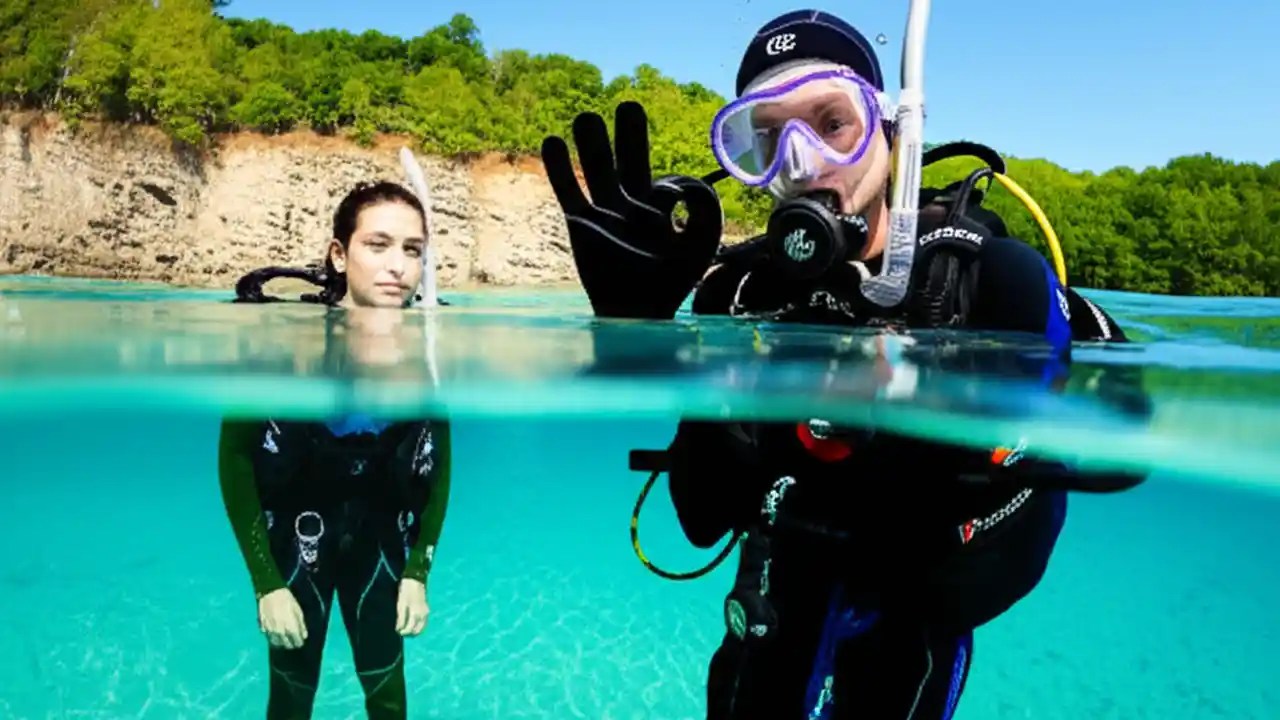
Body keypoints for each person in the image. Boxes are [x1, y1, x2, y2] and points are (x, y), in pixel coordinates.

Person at [541, 8, 1150, 719]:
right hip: (777, 603)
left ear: (892, 131)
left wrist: (976, 453)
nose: (799, 162)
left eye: (832, 123)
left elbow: (1122, 447)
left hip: (916, 614)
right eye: (763, 139)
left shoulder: (983, 283)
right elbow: (701, 520)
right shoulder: (738, 296)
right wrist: (633, 332)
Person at [220, 180, 452, 720]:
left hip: (380, 532)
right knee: (292, 694)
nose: (397, 264)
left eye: (412, 250)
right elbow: (234, 458)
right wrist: (266, 584)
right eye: (378, 244)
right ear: (339, 254)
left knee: (387, 692)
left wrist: (418, 571)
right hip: (303, 528)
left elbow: (439, 470)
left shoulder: (431, 354)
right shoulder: (282, 348)